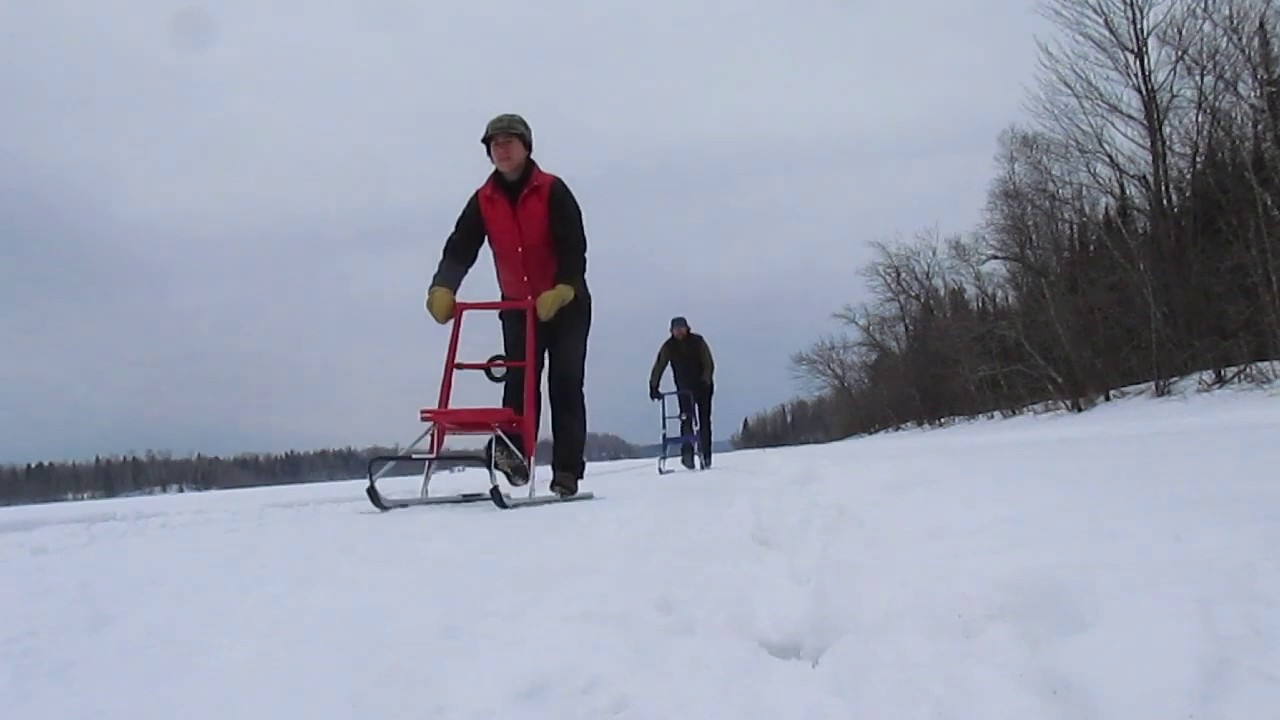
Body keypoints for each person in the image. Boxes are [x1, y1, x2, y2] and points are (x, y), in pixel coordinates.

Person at [423, 113, 591, 498]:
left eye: (508, 141)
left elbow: (574, 246)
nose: (501, 148)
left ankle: (566, 471)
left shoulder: (552, 190)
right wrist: (442, 287)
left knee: (564, 382)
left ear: (526, 147)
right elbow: (461, 246)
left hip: (564, 305)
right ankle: (514, 458)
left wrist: (564, 287)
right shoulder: (484, 200)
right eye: (494, 143)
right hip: (518, 308)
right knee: (518, 382)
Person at [648, 316, 714, 468]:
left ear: (687, 328)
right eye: (675, 329)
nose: (679, 332)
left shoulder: (698, 342)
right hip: (684, 388)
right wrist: (653, 386)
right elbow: (659, 365)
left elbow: (708, 363)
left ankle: (706, 454)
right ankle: (687, 455)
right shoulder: (669, 346)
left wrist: (705, 380)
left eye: (681, 328)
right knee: (686, 419)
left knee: (704, 420)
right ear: (671, 331)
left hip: (703, 386)